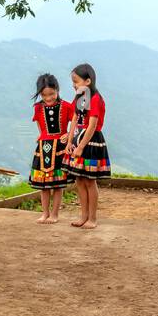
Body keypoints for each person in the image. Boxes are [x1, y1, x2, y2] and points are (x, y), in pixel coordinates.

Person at [63, 63, 110, 229]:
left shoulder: (96, 99)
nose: (74, 85)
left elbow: (92, 125)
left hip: (90, 142)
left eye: (76, 81)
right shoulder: (79, 98)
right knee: (79, 179)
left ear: (88, 81)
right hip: (77, 139)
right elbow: (75, 120)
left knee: (90, 181)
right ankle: (83, 216)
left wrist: (81, 146)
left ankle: (93, 218)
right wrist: (69, 142)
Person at [27, 73, 73, 225]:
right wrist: (42, 137)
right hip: (43, 148)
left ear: (57, 90)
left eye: (51, 94)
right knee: (43, 185)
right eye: (44, 95)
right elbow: (41, 128)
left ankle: (54, 214)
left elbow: (76, 125)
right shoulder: (38, 108)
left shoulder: (67, 106)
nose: (48, 98)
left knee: (57, 185)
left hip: (59, 148)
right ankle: (45, 213)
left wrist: (67, 135)